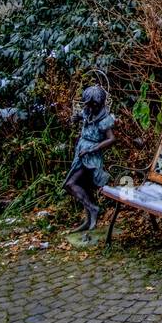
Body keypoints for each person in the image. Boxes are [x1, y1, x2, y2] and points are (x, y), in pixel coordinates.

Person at [64, 84, 116, 232]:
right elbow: (82, 115)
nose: (91, 107)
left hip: (91, 156)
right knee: (84, 185)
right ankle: (88, 220)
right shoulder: (88, 111)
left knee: (70, 183)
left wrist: (92, 148)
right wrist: (76, 117)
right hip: (81, 151)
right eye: (89, 104)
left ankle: (93, 209)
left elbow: (112, 139)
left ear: (100, 103)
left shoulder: (105, 118)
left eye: (94, 104)